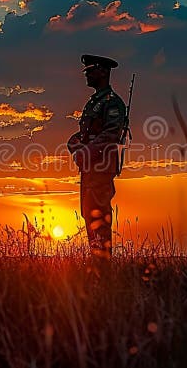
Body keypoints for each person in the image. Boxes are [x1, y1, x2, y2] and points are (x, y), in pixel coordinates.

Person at [67, 54, 127, 260]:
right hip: (90, 169)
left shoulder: (112, 103)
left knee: (99, 216)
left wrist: (86, 152)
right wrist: (74, 144)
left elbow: (111, 134)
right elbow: (86, 134)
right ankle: (96, 262)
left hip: (101, 167)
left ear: (103, 72)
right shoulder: (94, 103)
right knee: (88, 213)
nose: (87, 75)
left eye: (91, 71)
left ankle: (103, 265)